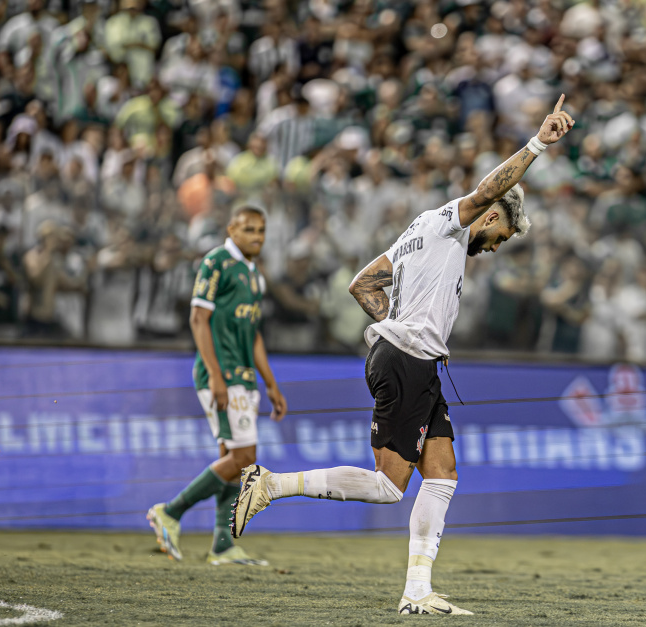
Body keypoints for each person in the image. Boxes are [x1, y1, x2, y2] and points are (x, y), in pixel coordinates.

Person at [230, 96, 574, 614]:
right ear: (492, 216)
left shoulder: (421, 230)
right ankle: (272, 484)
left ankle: (418, 591)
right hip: (407, 361)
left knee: (442, 474)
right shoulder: (455, 221)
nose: (496, 247)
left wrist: (405, 327)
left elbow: (361, 283)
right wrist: (537, 144)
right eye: (500, 236)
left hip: (413, 358)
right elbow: (488, 189)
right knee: (390, 487)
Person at [147, 205, 288, 565]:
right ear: (232, 230)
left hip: (244, 376)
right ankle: (171, 512)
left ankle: (222, 545)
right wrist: (214, 373)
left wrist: (271, 383)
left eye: (261, 230)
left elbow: (252, 332)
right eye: (249, 229)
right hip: (222, 374)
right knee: (245, 457)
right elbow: (198, 317)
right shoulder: (217, 262)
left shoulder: (255, 276)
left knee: (236, 460)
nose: (257, 236)